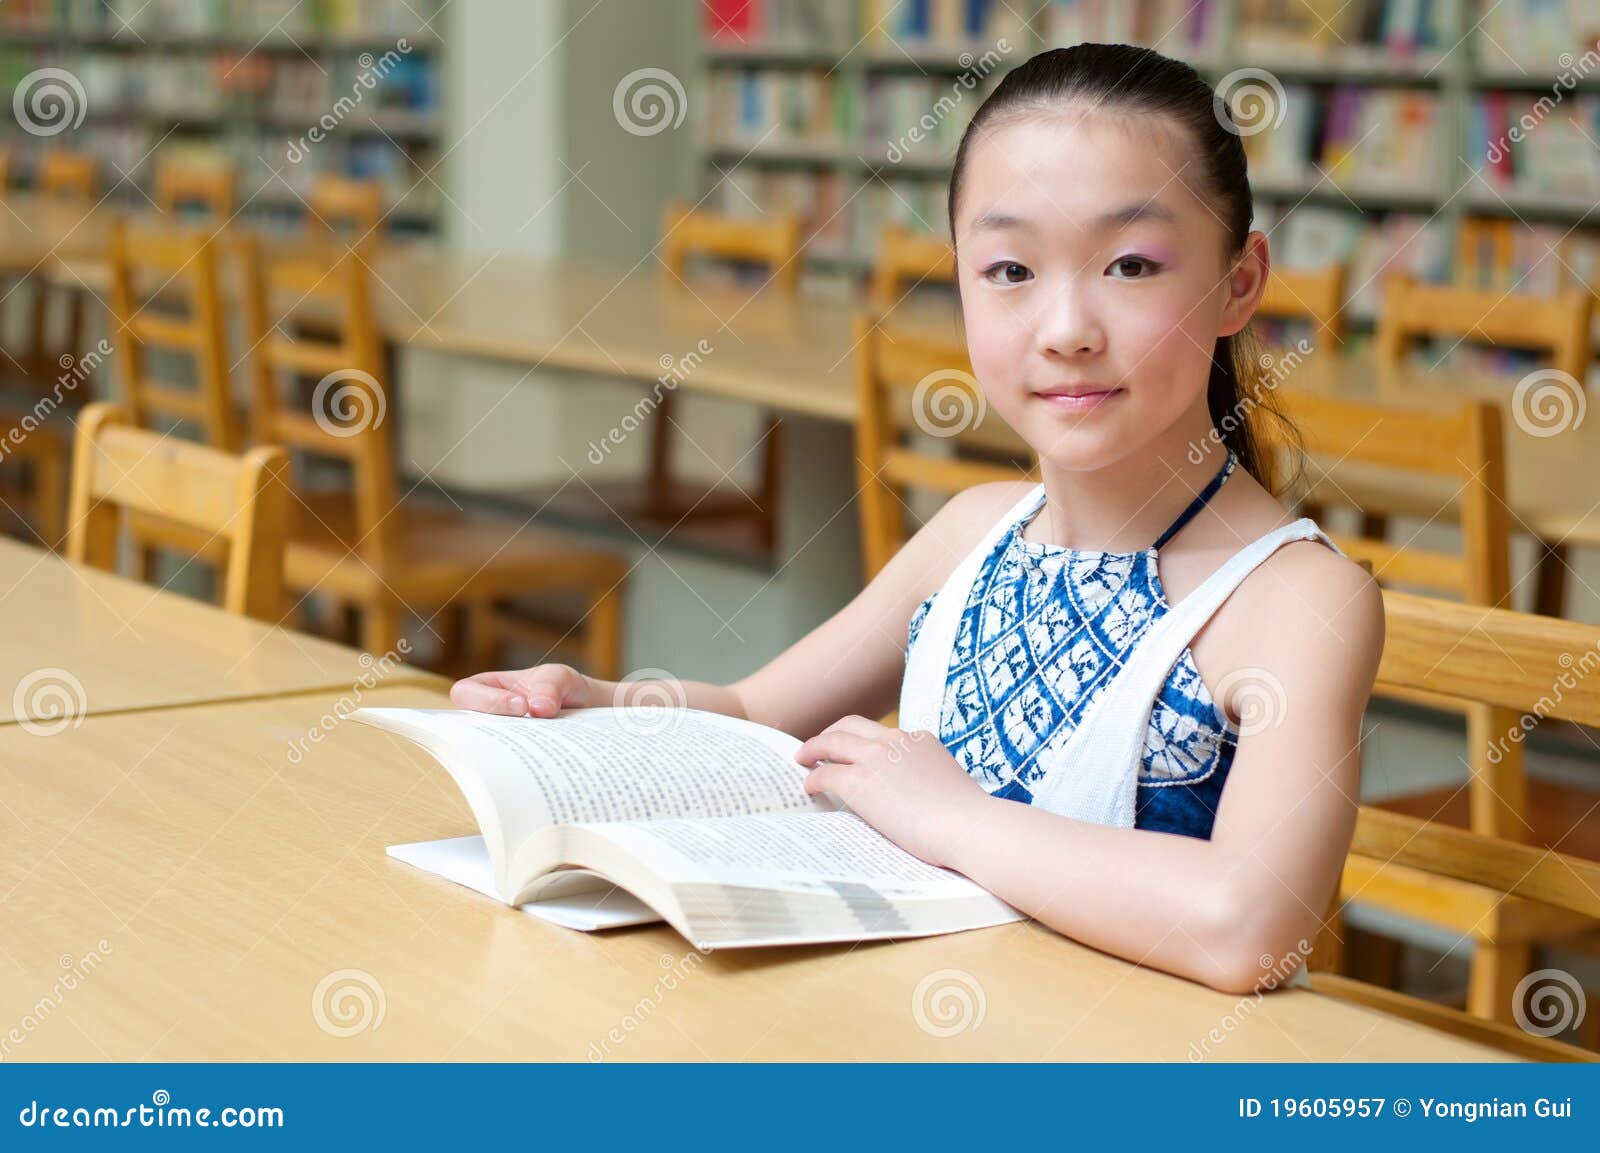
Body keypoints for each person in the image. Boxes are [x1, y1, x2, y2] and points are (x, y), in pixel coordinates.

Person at [452, 43, 1383, 995]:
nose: (1065, 327)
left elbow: (1250, 928)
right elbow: (755, 715)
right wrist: (594, 706)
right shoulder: (971, 531)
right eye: (1010, 268)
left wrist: (951, 817)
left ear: (1239, 281)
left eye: (1131, 263)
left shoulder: (1296, 599)